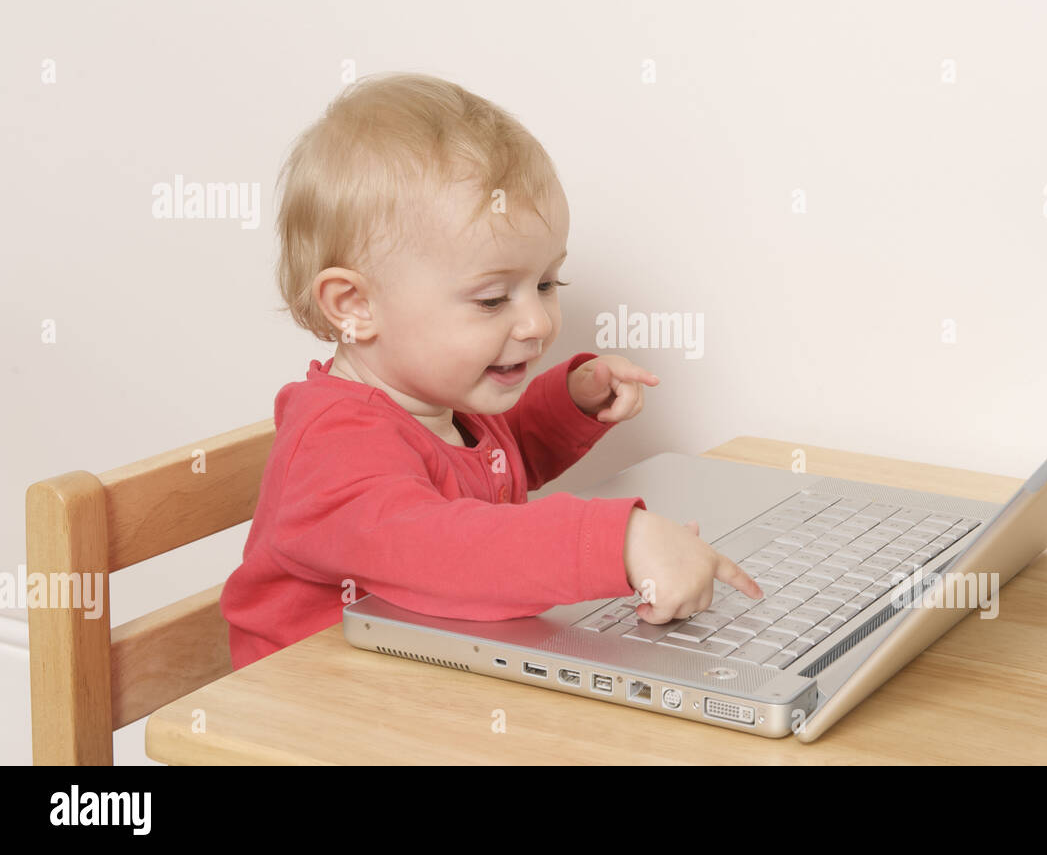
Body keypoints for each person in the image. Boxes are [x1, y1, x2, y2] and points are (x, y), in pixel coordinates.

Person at [220, 72, 761, 669]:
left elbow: (499, 464)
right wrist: (618, 541)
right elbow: (447, 547)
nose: (536, 322)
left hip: (428, 680)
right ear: (356, 306)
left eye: (548, 283)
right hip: (309, 721)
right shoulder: (333, 445)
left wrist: (571, 402)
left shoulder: (447, 400)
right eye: (492, 299)